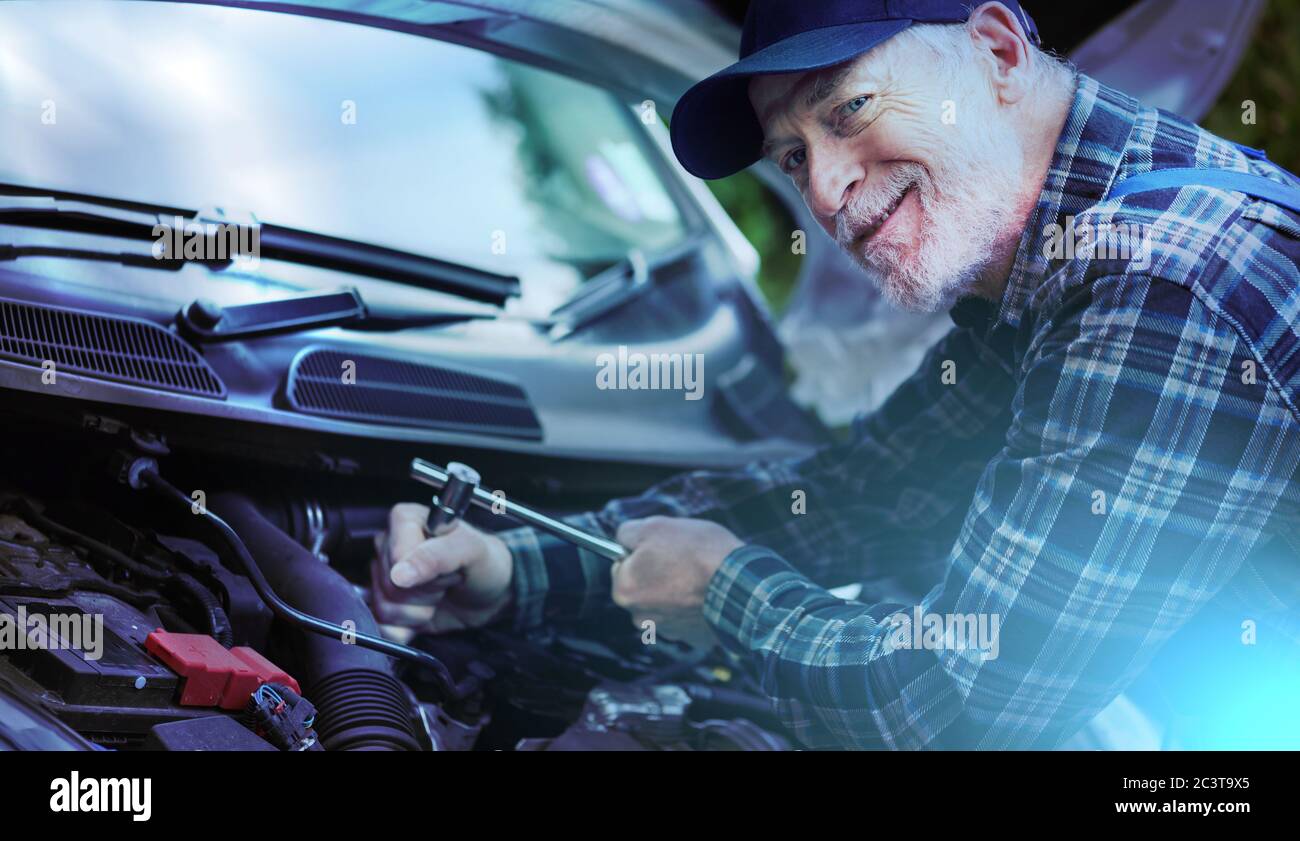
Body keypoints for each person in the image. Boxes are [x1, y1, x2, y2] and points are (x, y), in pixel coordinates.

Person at [372, 0, 1300, 749]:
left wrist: (721, 587)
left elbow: (957, 711)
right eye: (791, 156)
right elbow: (869, 495)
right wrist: (510, 564)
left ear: (998, 53)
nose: (820, 192)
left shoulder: (1168, 280)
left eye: (848, 109)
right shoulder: (1064, 252)